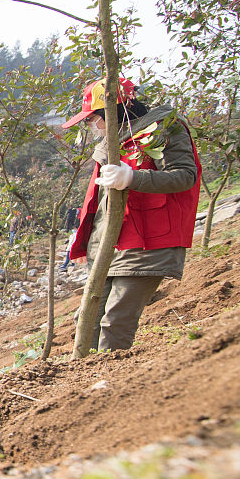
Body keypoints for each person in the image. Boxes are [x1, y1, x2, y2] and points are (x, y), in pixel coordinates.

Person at [63, 76, 201, 350]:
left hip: (147, 243)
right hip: (110, 245)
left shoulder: (164, 129)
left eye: (93, 118)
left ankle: (107, 383)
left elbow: (185, 175)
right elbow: (100, 201)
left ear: (112, 112)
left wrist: (133, 178)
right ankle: (82, 381)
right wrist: (83, 237)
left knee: (115, 322)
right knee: (86, 319)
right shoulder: (113, 144)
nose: (91, 125)